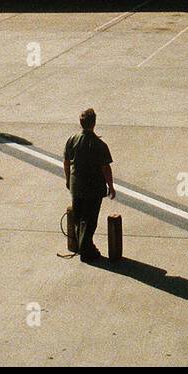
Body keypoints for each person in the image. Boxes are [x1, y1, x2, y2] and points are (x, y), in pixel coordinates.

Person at [63, 108, 114, 263]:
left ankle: (83, 245)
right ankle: (87, 250)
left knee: (78, 218)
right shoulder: (99, 144)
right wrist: (110, 186)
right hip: (93, 188)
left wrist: (67, 180)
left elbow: (66, 162)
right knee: (90, 220)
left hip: (76, 185)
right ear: (94, 123)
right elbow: (105, 168)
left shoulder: (72, 139)